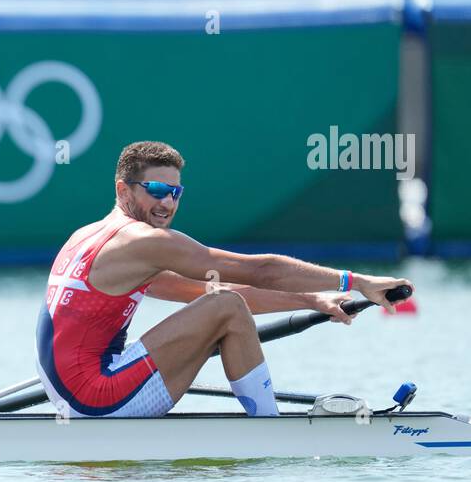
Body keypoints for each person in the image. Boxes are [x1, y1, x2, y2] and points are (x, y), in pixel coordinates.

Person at [37, 141, 411, 418]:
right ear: (123, 189)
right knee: (228, 310)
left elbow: (206, 291)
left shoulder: (89, 237)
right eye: (156, 191)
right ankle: (269, 430)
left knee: (224, 305)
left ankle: (263, 423)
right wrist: (355, 281)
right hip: (93, 397)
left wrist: (312, 300)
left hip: (68, 393)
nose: (167, 203)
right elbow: (259, 270)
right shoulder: (145, 242)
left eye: (175, 192)